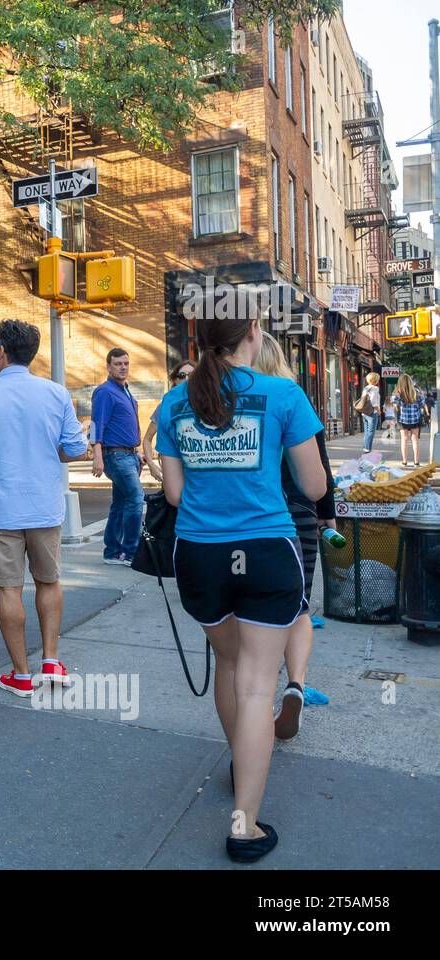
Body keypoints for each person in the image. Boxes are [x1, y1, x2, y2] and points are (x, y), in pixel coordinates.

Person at [157, 312, 326, 863]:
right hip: (267, 553)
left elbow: (175, 493)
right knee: (257, 685)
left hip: (199, 556)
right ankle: (243, 824)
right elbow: (315, 484)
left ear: (199, 343)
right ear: (253, 331)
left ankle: (240, 761)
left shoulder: (174, 402)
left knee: (230, 666)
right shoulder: (283, 394)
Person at [0, 320, 90, 697]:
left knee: (8, 588)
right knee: (49, 581)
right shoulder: (56, 394)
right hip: (45, 506)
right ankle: (51, 660)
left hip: (1, 509)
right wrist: (50, 452)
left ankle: (21, 674)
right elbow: (76, 449)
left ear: (2, 352)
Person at [251, 333, 336, 734]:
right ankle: (296, 684)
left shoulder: (243, 405)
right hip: (300, 516)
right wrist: (327, 516)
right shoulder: (293, 399)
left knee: (256, 608)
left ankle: (258, 693)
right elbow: (322, 468)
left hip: (255, 518)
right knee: (298, 605)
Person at [91, 347, 144, 565]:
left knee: (121, 504)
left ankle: (112, 552)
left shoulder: (126, 391)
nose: (123, 367)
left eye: (125, 363)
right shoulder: (104, 391)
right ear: (108, 367)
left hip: (130, 455)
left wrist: (137, 452)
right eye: (118, 364)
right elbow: (95, 425)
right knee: (136, 498)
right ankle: (130, 552)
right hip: (115, 455)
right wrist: (97, 455)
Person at [141, 360, 195, 483]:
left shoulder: (208, 405)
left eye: (192, 375)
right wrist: (151, 464)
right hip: (174, 469)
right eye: (182, 376)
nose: (187, 379)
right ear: (175, 380)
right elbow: (147, 439)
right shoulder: (165, 406)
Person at [393, 373, 425, 467]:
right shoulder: (416, 393)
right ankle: (416, 462)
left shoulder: (398, 393)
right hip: (415, 419)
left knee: (404, 439)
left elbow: (395, 406)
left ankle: (404, 462)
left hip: (403, 420)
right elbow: (422, 404)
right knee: (415, 440)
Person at [357, 373, 381, 453]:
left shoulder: (366, 388)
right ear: (375, 380)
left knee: (367, 432)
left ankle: (366, 448)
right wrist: (378, 410)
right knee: (371, 432)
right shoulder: (375, 388)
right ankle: (367, 449)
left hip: (365, 412)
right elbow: (374, 402)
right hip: (372, 413)